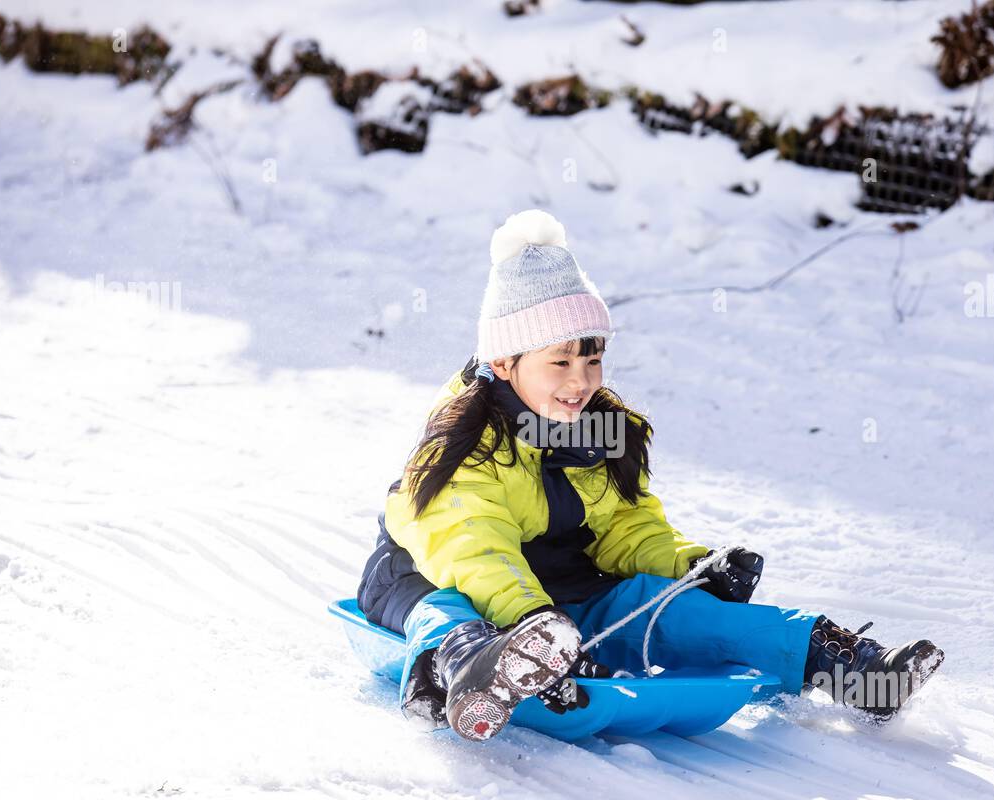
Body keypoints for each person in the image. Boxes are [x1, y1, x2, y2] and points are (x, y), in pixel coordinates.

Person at [357, 209, 943, 742]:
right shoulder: (465, 440)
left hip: (558, 594)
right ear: (505, 363)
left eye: (592, 359)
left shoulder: (598, 430)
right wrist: (533, 622)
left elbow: (625, 525)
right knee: (451, 605)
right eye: (559, 362)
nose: (580, 380)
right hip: (434, 576)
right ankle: (461, 672)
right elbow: (472, 546)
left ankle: (850, 668)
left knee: (661, 605)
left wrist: (685, 568)